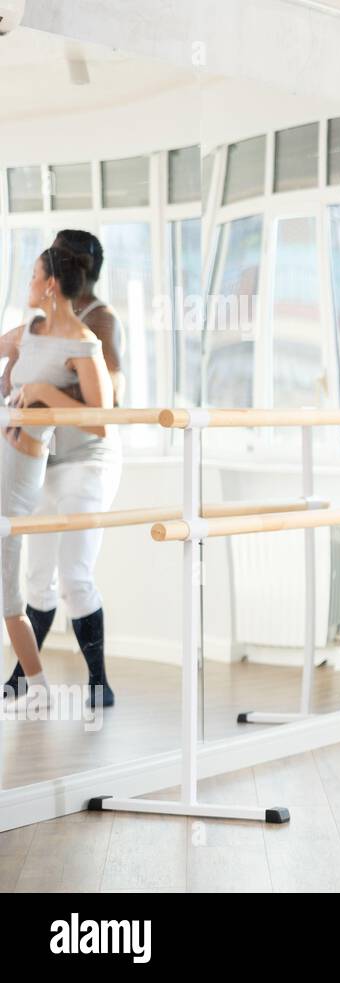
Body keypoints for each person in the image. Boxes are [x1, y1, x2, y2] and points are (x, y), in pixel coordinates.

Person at [2, 230, 124, 708]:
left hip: (86, 462)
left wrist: (42, 396)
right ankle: (28, 678)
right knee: (37, 579)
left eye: (41, 268)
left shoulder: (95, 326)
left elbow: (104, 410)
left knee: (73, 576)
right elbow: (13, 367)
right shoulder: (34, 327)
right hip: (44, 460)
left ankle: (97, 683)